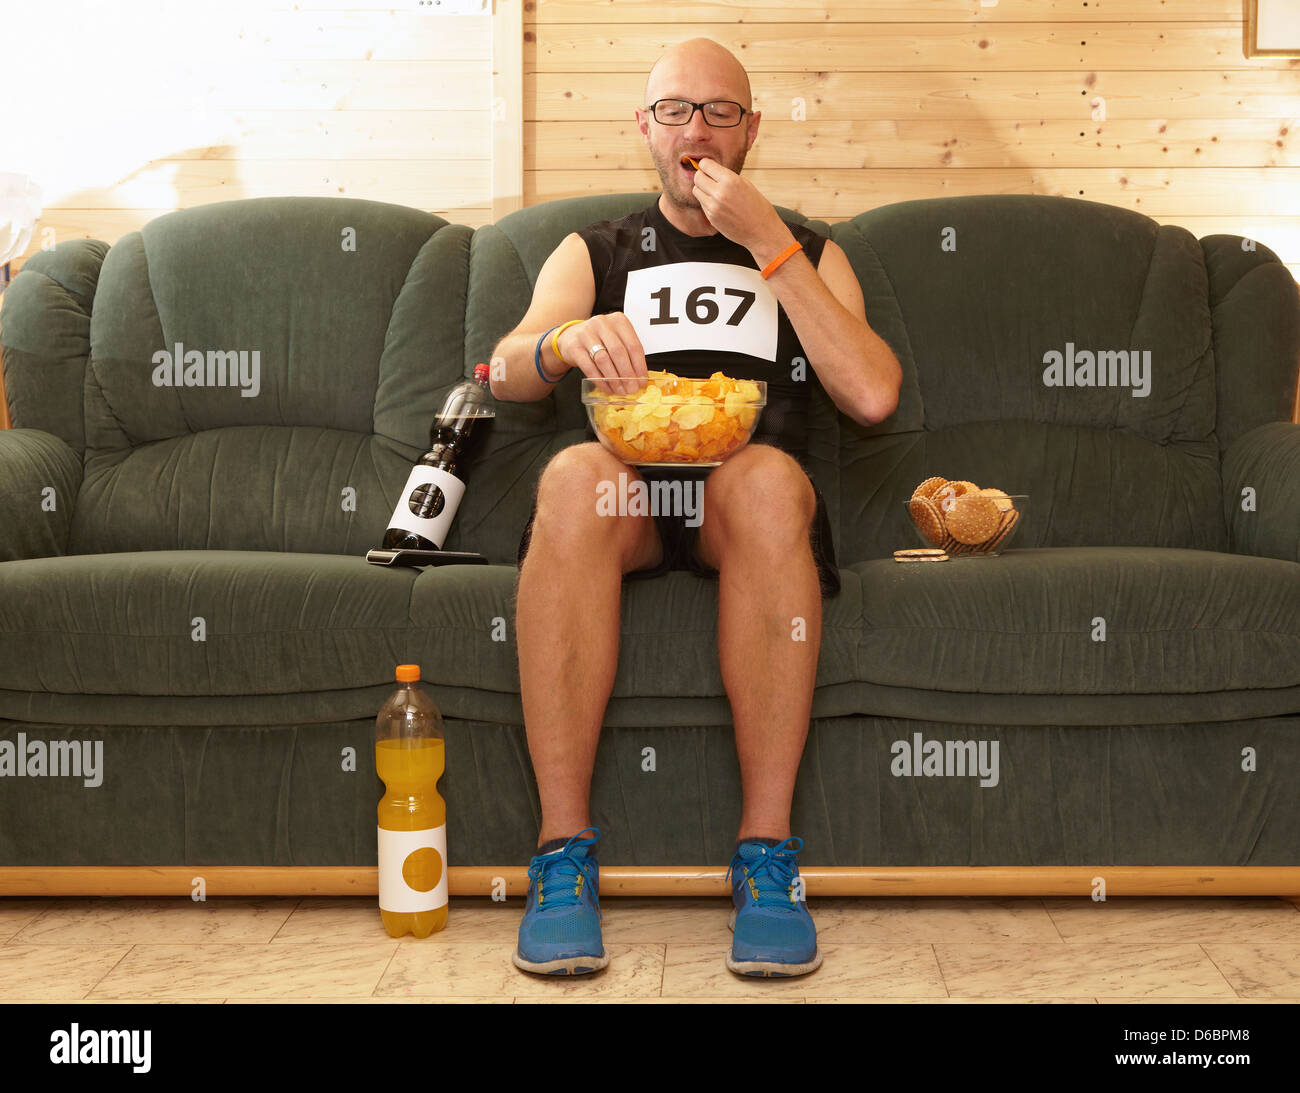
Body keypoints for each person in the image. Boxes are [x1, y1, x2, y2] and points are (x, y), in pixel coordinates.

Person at [488, 37, 902, 978]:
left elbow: (873, 393)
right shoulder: (595, 246)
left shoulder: (810, 247)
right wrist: (560, 339)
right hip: (627, 492)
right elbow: (502, 368)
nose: (697, 130)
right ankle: (562, 855)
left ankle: (766, 859)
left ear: (750, 130)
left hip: (746, 506)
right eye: (676, 110)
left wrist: (771, 243)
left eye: (720, 112)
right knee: (566, 476)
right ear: (645, 128)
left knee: (760, 478)